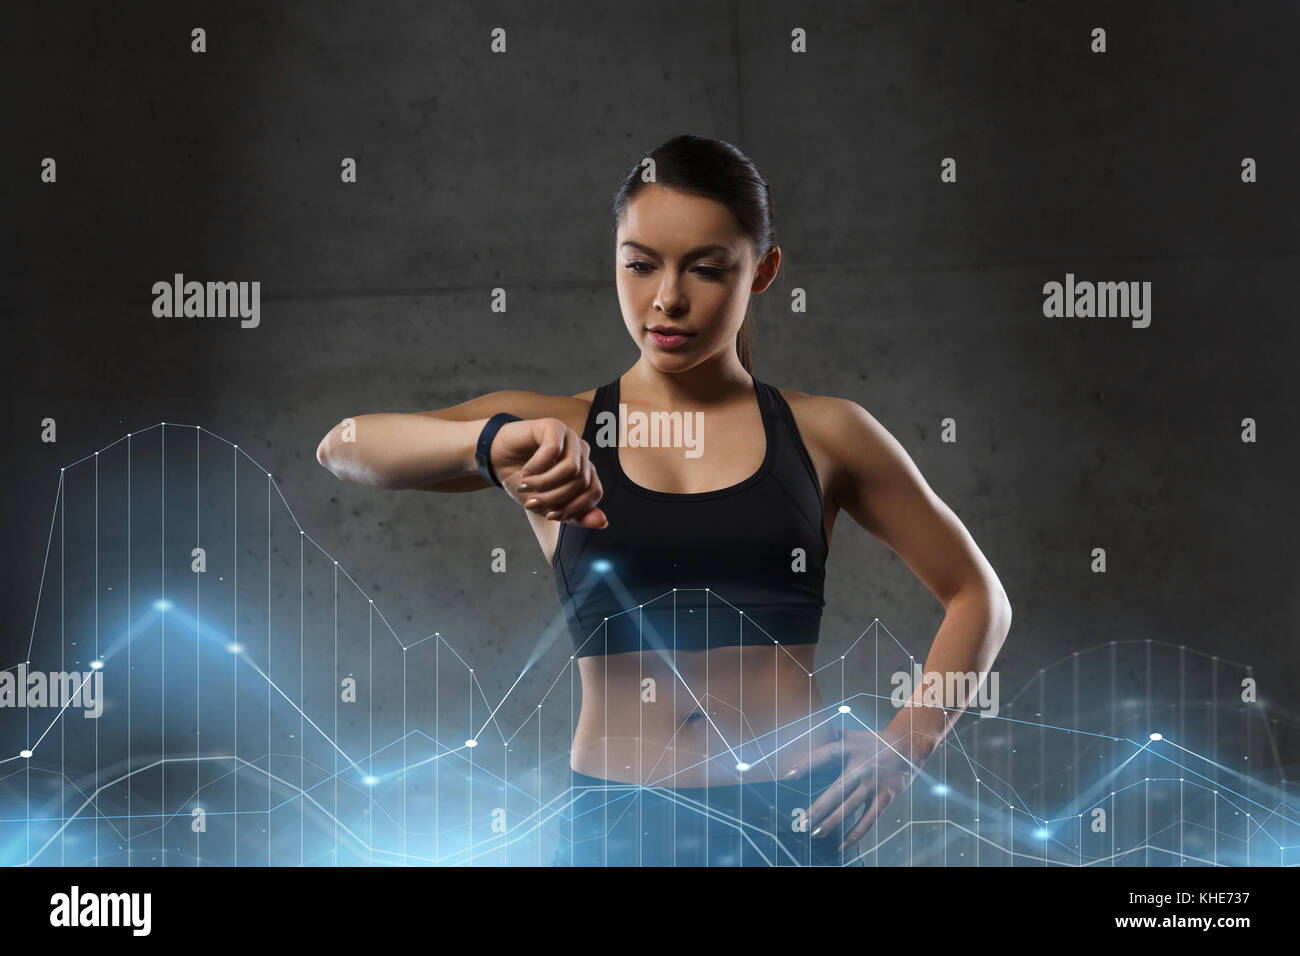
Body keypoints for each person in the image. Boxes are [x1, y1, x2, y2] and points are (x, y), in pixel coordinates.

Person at [315, 134, 1012, 866]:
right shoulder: (556, 429)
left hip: (788, 816)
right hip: (616, 824)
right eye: (640, 264)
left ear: (763, 271)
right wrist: (488, 445)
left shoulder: (827, 433)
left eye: (706, 269)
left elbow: (978, 596)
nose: (668, 298)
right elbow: (345, 445)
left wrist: (909, 740)